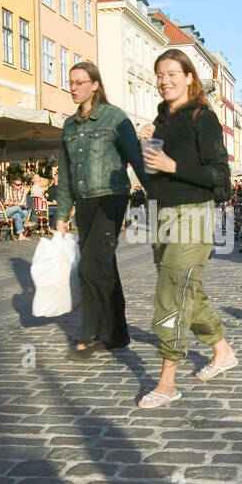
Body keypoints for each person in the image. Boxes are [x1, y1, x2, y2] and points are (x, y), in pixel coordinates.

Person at [137, 49, 237, 408]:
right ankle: (222, 350)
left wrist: (172, 163)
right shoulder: (161, 119)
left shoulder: (202, 117)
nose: (165, 80)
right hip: (161, 213)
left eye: (172, 74)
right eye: (160, 74)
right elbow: (151, 177)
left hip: (193, 215)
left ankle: (167, 382)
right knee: (187, 290)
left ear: (189, 77)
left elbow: (219, 178)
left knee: (171, 291)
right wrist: (145, 146)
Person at [51, 61, 146, 356]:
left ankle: (90, 330)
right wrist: (62, 212)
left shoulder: (115, 119)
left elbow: (138, 158)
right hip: (84, 202)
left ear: (95, 84)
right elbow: (65, 173)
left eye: (80, 82)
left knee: (91, 264)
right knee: (105, 265)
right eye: (71, 82)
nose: (74, 88)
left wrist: (160, 199)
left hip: (111, 199)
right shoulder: (69, 126)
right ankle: (117, 333)